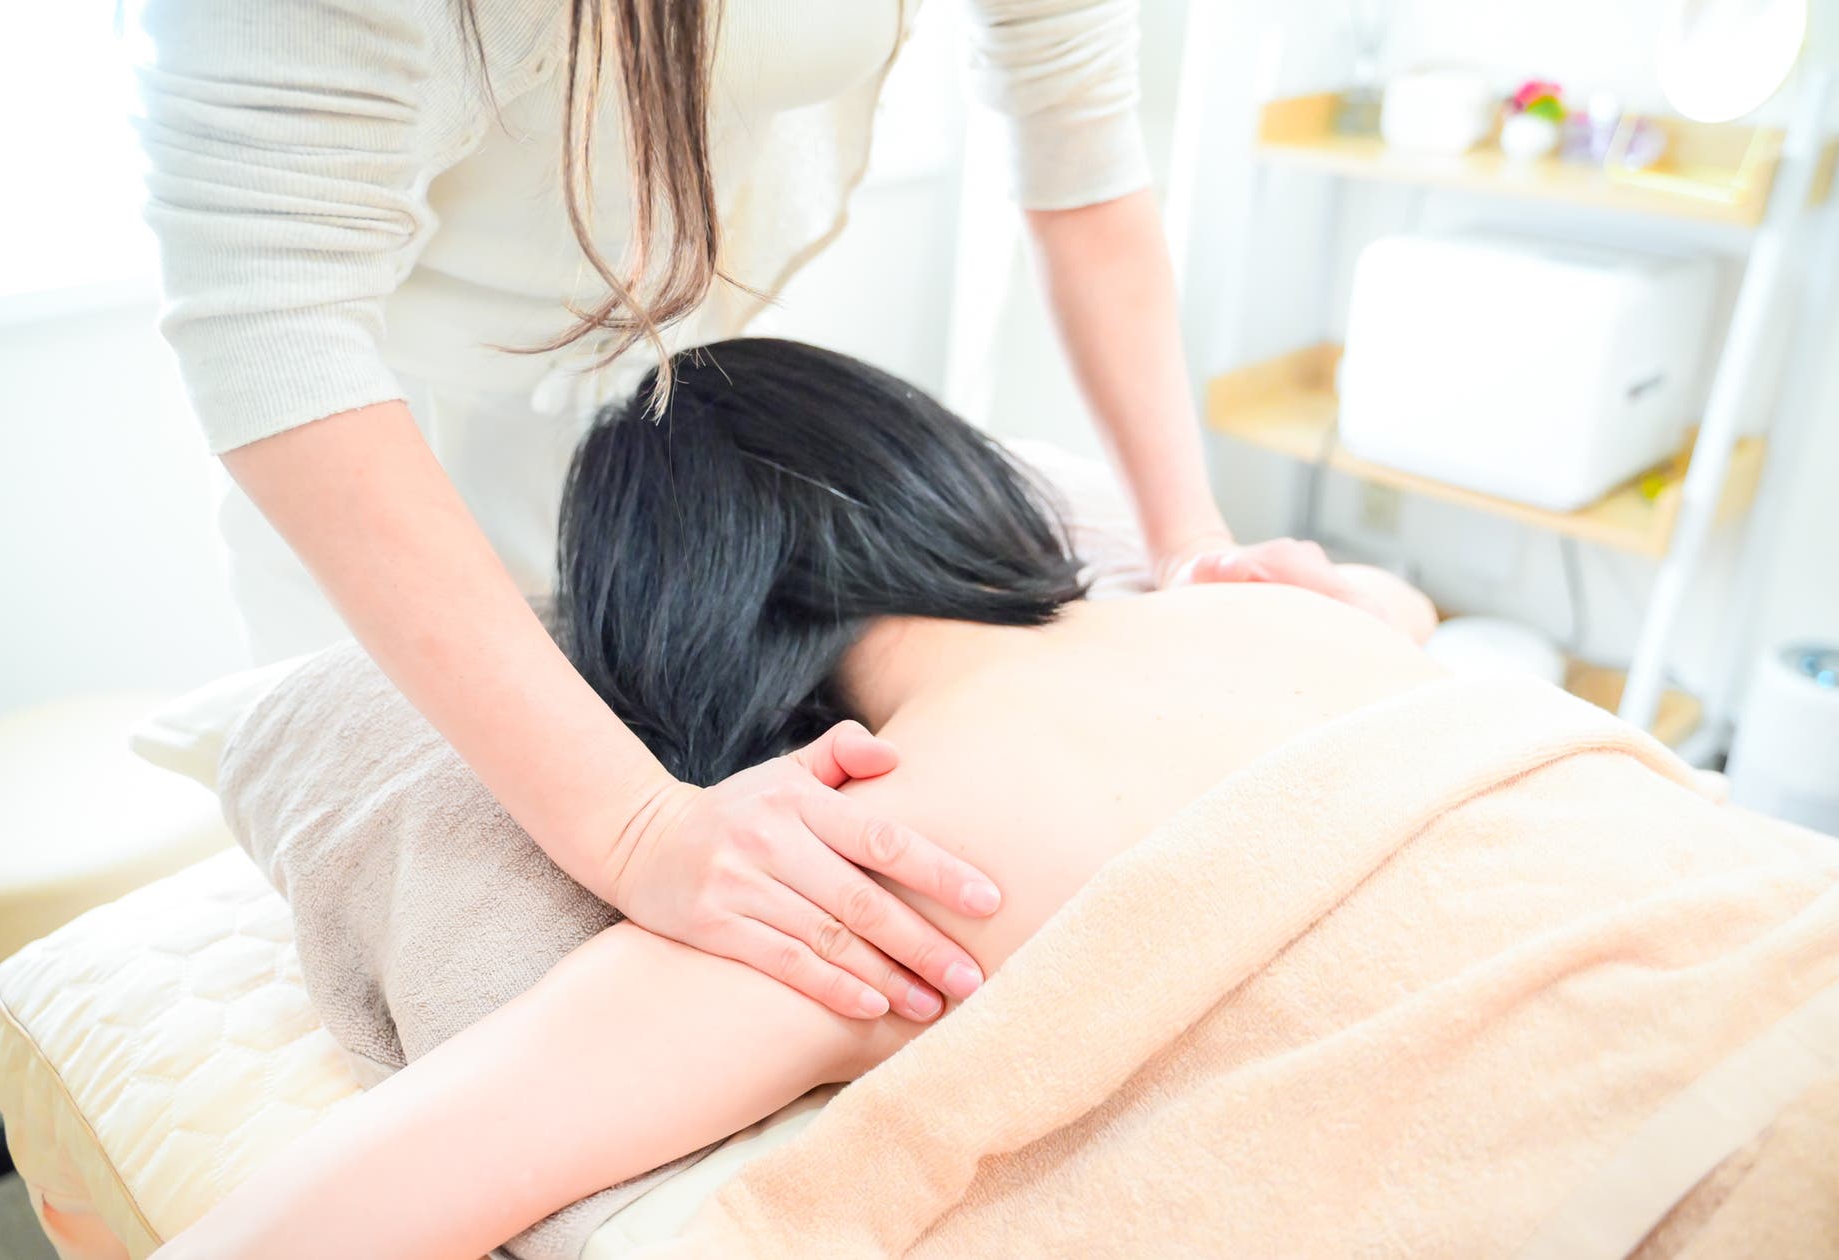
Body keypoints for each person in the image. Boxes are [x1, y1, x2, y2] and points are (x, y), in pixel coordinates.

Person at [136, 0, 1375, 1021]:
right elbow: (273, 317)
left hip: (684, 419)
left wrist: (1191, 540)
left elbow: (1084, 153)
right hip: (393, 448)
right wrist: (629, 830)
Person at [157, 339, 1443, 1259]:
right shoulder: (1301, 614)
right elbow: (1400, 619)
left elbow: (333, 1210)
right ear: (966, 490)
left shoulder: (875, 854)